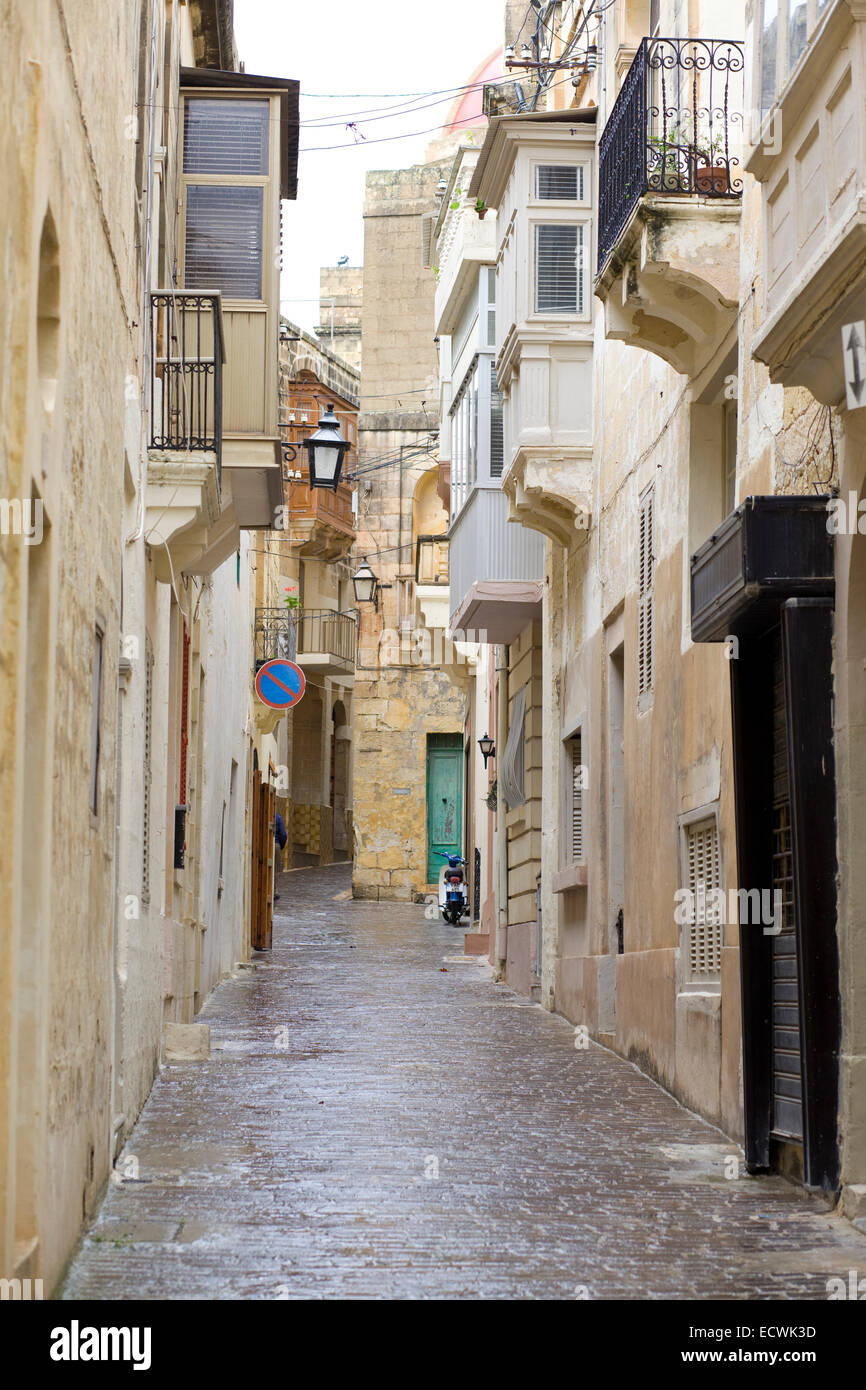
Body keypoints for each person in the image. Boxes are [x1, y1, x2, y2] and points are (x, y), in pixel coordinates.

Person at [274, 811, 288, 899]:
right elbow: (283, 834)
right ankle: (273, 891)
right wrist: (280, 846)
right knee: (274, 869)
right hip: (275, 844)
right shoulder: (278, 817)